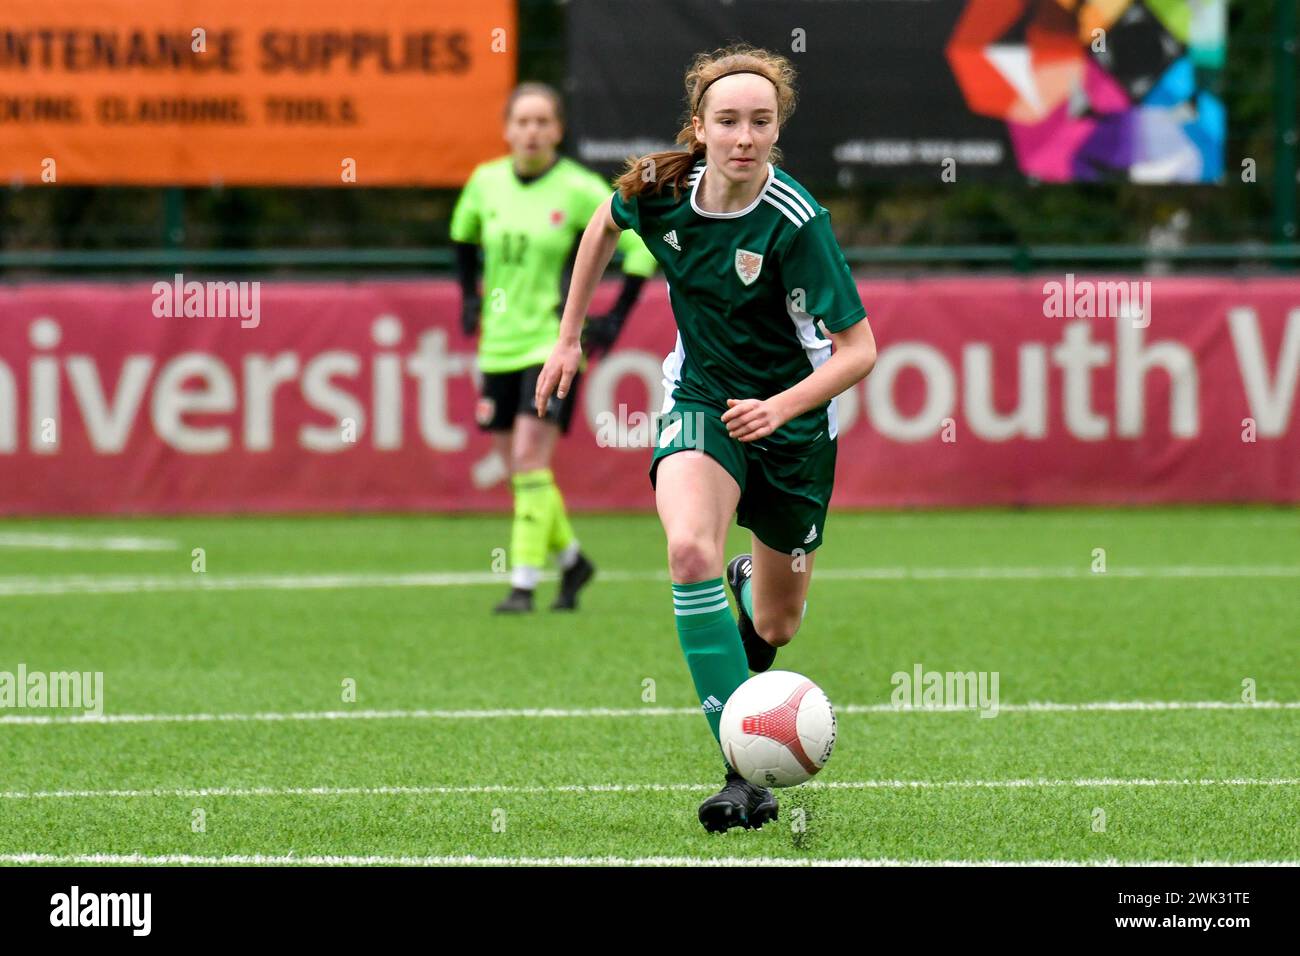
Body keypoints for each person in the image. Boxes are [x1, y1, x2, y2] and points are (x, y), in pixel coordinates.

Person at [535, 46, 878, 832]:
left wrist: (782, 405)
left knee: (777, 624)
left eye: (762, 121)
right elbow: (601, 225)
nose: (745, 136)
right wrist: (568, 337)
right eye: (728, 120)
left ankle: (748, 581)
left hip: (794, 428)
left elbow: (860, 350)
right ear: (700, 126)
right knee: (686, 550)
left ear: (776, 129)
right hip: (701, 402)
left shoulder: (797, 221)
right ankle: (739, 771)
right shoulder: (661, 190)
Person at [450, 82, 658, 614]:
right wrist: (468, 298)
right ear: (507, 130)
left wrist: (616, 315)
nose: (532, 131)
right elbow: (463, 233)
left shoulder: (579, 188)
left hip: (552, 342)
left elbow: (636, 244)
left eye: (543, 122)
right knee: (516, 466)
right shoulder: (485, 182)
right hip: (498, 344)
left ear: (558, 131)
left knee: (527, 457)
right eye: (522, 122)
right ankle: (572, 561)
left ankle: (522, 585)